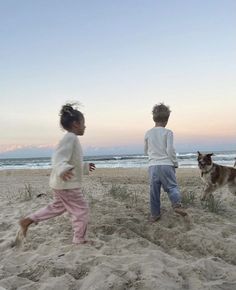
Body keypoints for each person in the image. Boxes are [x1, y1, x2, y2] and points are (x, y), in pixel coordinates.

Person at [16, 103, 95, 244]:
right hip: (67, 185)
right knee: (81, 210)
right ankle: (79, 239)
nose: (85, 126)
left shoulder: (70, 138)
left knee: (57, 207)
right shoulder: (70, 137)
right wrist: (62, 169)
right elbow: (58, 157)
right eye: (83, 123)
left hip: (61, 184)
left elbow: (71, 161)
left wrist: (85, 167)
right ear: (76, 124)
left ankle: (28, 220)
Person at [144, 103, 187, 222]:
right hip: (166, 164)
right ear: (167, 119)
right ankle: (177, 204)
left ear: (153, 117)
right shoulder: (168, 132)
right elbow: (170, 150)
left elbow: (145, 150)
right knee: (172, 187)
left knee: (154, 191)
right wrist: (175, 162)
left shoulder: (148, 133)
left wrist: (153, 156)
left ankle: (155, 214)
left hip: (153, 166)